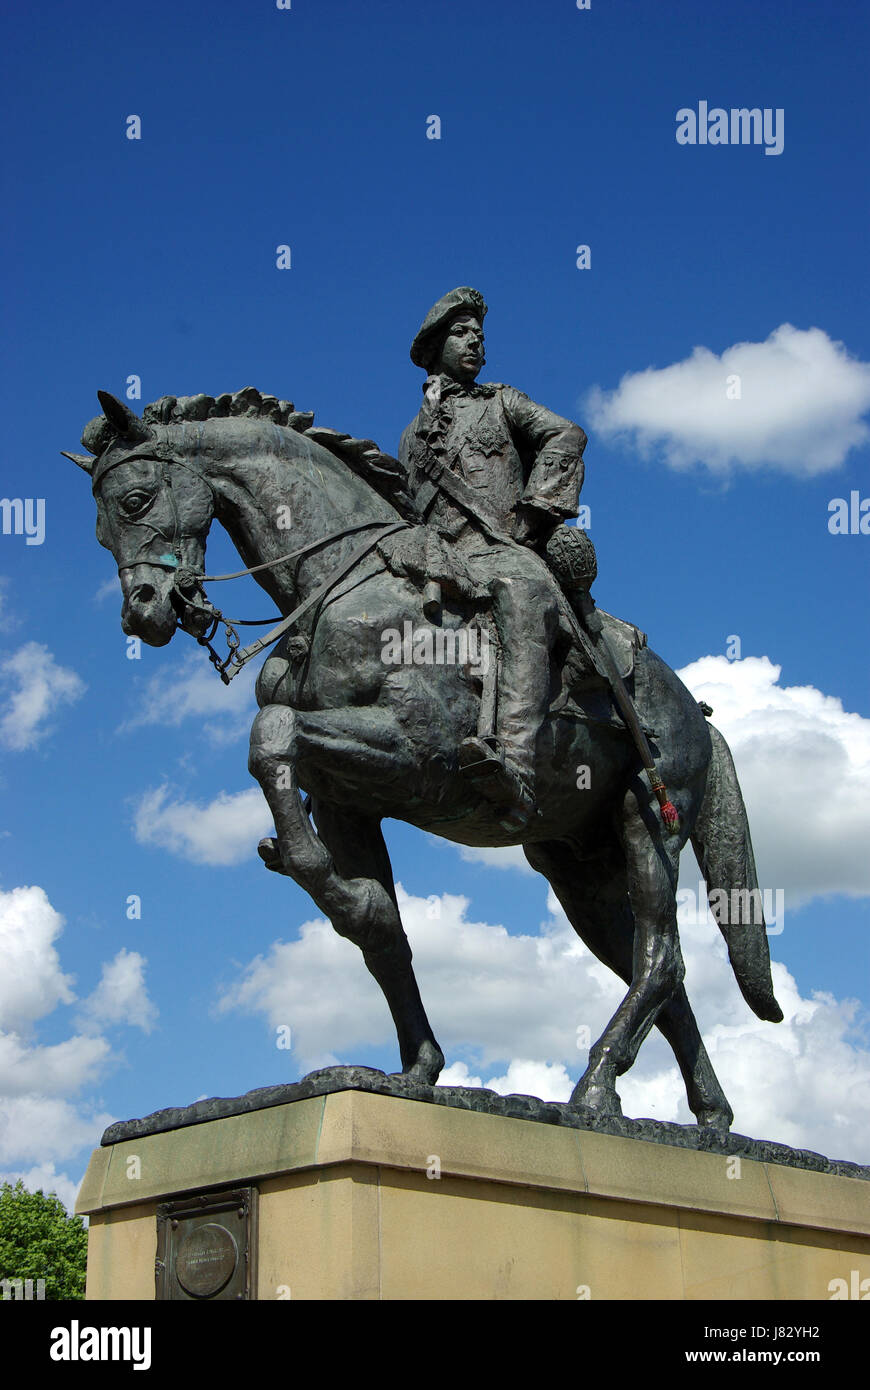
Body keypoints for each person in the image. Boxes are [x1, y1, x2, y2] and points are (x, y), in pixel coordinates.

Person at [399, 287, 587, 829]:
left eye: (480, 333)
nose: (476, 340)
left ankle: (518, 767)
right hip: (438, 559)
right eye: (462, 332)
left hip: (499, 550)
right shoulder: (411, 436)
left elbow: (566, 434)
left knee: (522, 590)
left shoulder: (502, 401)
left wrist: (534, 511)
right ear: (435, 346)